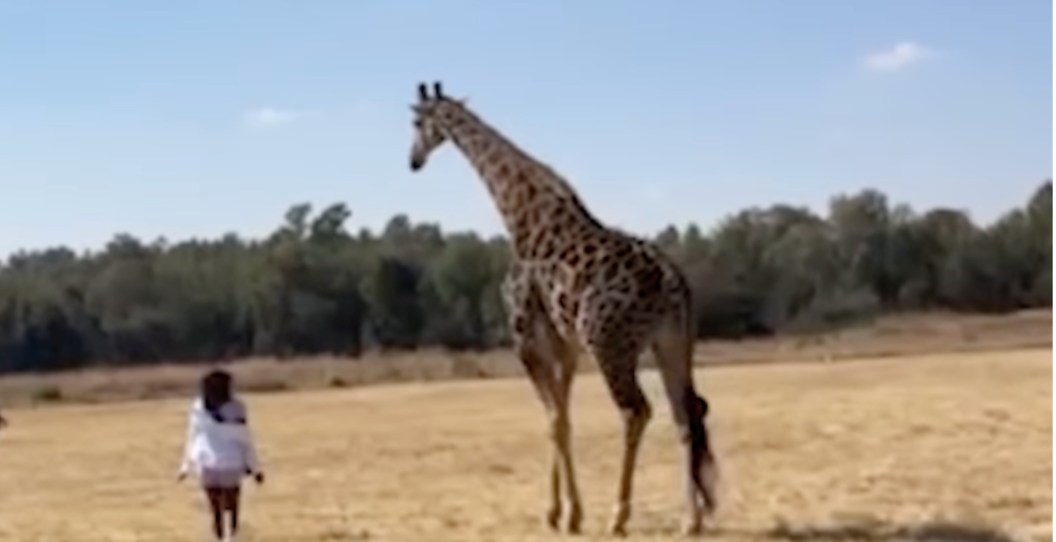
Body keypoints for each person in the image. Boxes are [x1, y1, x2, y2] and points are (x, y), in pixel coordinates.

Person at [178, 369, 264, 542]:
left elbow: (193, 437)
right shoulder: (237, 408)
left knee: (215, 508)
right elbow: (244, 439)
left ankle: (219, 535)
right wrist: (255, 468)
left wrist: (185, 466)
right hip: (231, 462)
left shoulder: (197, 408)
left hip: (205, 462)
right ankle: (231, 536)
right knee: (232, 506)